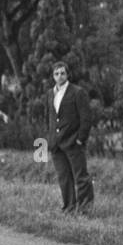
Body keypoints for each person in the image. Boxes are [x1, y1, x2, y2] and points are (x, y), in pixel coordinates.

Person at [46, 62, 94, 214]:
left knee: (81, 177)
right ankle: (69, 207)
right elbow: (50, 118)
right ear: (53, 76)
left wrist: (80, 139)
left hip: (73, 142)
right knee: (64, 178)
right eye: (56, 74)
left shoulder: (78, 92)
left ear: (67, 75)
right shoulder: (50, 93)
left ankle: (85, 210)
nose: (59, 76)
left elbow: (86, 118)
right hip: (56, 145)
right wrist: (50, 139)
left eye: (62, 73)